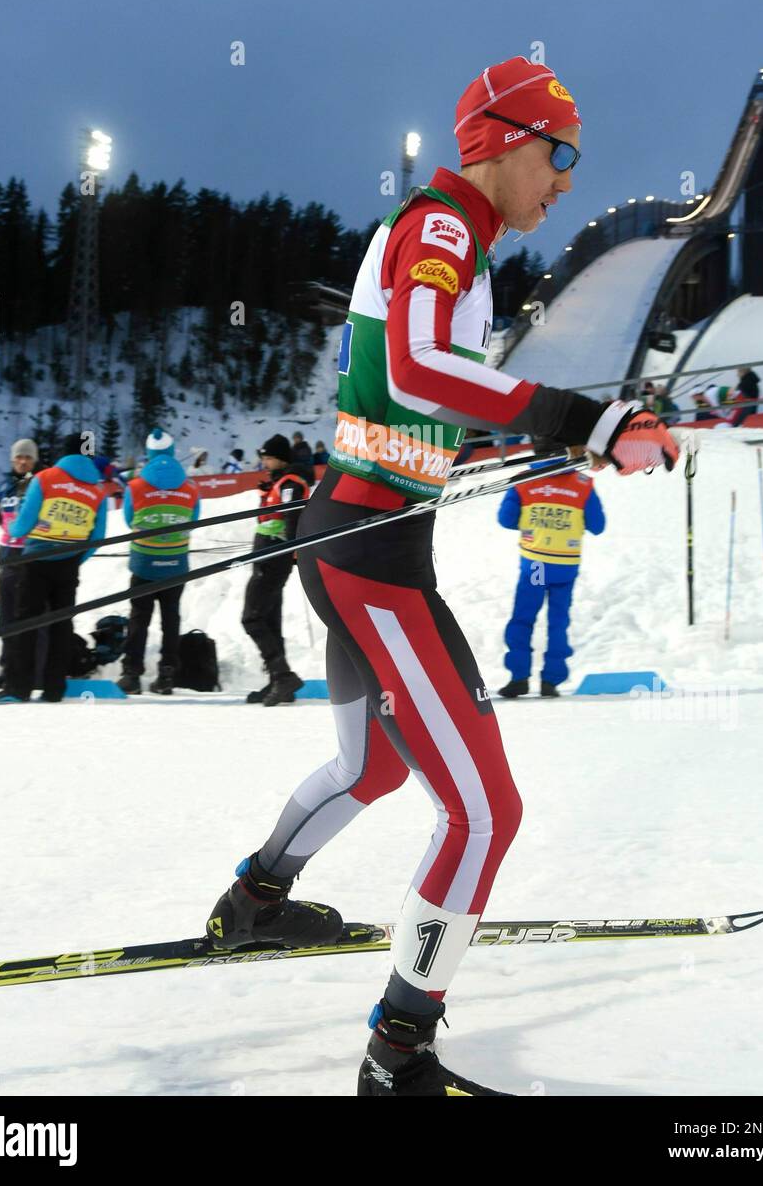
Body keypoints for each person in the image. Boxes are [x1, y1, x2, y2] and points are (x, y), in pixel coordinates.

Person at [203, 55, 679, 1097]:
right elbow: (420, 368)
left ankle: (257, 898)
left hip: (363, 537)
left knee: (374, 768)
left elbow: (427, 400)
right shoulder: (445, 227)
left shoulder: (462, 239)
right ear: (506, 139)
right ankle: (398, 1054)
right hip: (370, 555)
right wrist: (586, 418)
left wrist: (571, 440)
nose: (565, 181)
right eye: (560, 155)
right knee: (483, 811)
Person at [0, 433, 109, 703]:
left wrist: (15, 527)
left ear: (63, 452)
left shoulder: (45, 479)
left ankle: (17, 688)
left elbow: (21, 525)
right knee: (60, 625)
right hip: (68, 564)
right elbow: (98, 537)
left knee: (25, 623)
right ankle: (54, 688)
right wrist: (77, 558)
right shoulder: (97, 490)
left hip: (35, 561)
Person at [497, 465, 605, 699]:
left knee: (523, 619)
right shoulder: (583, 482)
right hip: (566, 565)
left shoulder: (525, 480)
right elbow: (598, 526)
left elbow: (505, 519)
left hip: (537, 565)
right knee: (558, 622)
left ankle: (518, 678)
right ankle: (551, 680)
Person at [118, 428, 200, 696]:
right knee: (171, 619)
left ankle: (131, 674)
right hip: (176, 563)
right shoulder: (190, 488)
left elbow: (130, 520)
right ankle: (166, 676)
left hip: (144, 562)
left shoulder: (135, 486)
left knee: (139, 619)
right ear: (173, 452)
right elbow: (194, 519)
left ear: (149, 454)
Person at [240, 434, 310, 706]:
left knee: (251, 618)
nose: (265, 462)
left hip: (273, 558)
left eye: (268, 458)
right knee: (269, 620)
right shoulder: (279, 481)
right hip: (268, 556)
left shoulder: (291, 482)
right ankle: (277, 682)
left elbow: (293, 517)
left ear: (281, 458)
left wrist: (293, 553)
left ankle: (282, 676)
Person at [0, 438, 39, 689]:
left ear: (34, 460)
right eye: (19, 457)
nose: (23, 461)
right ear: (12, 460)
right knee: (6, 617)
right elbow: (0, 517)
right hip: (9, 553)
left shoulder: (38, 485)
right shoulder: (3, 487)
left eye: (28, 457)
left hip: (30, 555)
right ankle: (7, 668)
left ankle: (26, 670)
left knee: (27, 615)